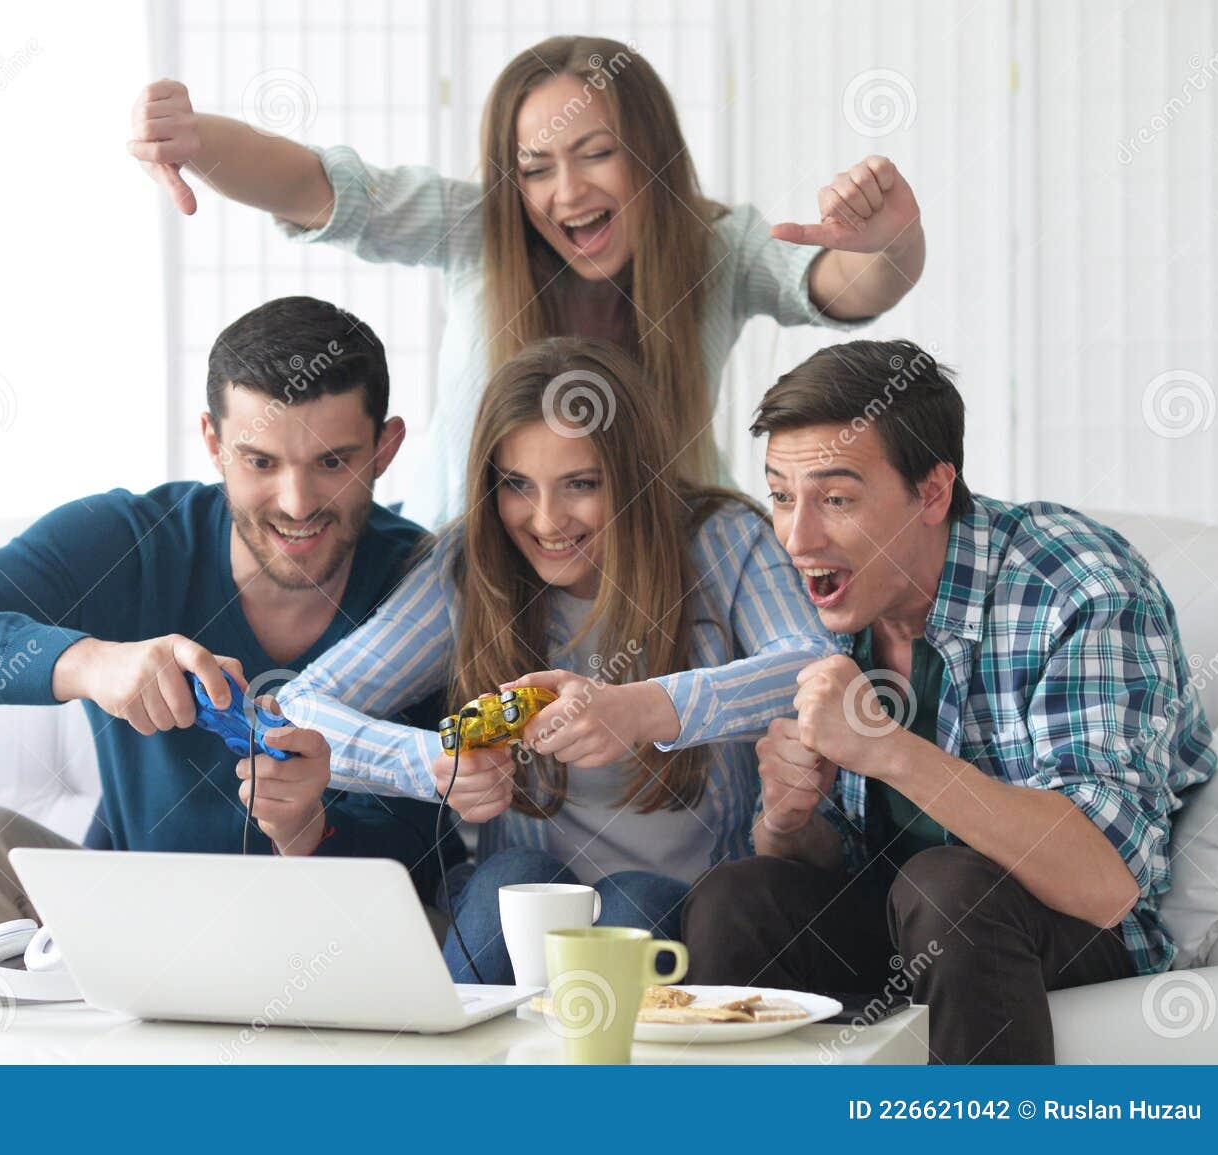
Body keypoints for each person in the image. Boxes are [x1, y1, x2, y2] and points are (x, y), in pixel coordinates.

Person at [128, 34, 926, 528]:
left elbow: (842, 286)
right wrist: (196, 139)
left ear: (652, 154)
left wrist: (888, 244)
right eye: (536, 168)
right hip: (473, 575)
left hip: (659, 574)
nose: (567, 192)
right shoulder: (478, 228)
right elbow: (317, 188)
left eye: (597, 154)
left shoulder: (715, 248)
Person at [682, 338, 1217, 1064]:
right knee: (735, 898)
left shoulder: (1079, 585)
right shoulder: (832, 599)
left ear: (932, 492)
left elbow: (1104, 883)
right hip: (900, 924)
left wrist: (888, 750)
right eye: (781, 496)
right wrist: (789, 821)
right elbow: (833, 860)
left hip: (1061, 928)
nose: (798, 537)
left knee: (944, 888)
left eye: (836, 499)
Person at [0, 296, 461, 923]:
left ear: (384, 448)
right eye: (260, 462)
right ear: (214, 443)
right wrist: (88, 663)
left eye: (333, 462)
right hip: (131, 914)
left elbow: (422, 856)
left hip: (331, 931)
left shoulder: (436, 588)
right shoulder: (130, 540)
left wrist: (308, 829)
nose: (297, 503)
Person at [276, 336, 839, 983]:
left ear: (634, 476)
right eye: (517, 484)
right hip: (522, 890)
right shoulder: (469, 567)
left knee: (636, 901)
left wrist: (641, 708)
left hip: (692, 898)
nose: (546, 521)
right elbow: (296, 707)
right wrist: (430, 764)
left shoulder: (722, 537)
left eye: (580, 484)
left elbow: (815, 668)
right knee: (508, 884)